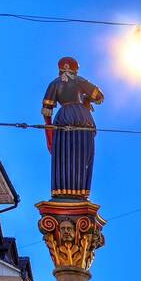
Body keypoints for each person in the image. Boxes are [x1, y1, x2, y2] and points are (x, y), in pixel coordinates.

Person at [42, 57, 104, 200]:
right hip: (83, 117)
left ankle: (62, 189)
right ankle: (81, 190)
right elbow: (100, 97)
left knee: (63, 155)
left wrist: (49, 136)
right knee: (82, 157)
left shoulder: (54, 84)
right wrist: (86, 99)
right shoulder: (80, 81)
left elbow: (47, 112)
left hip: (63, 117)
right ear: (76, 69)